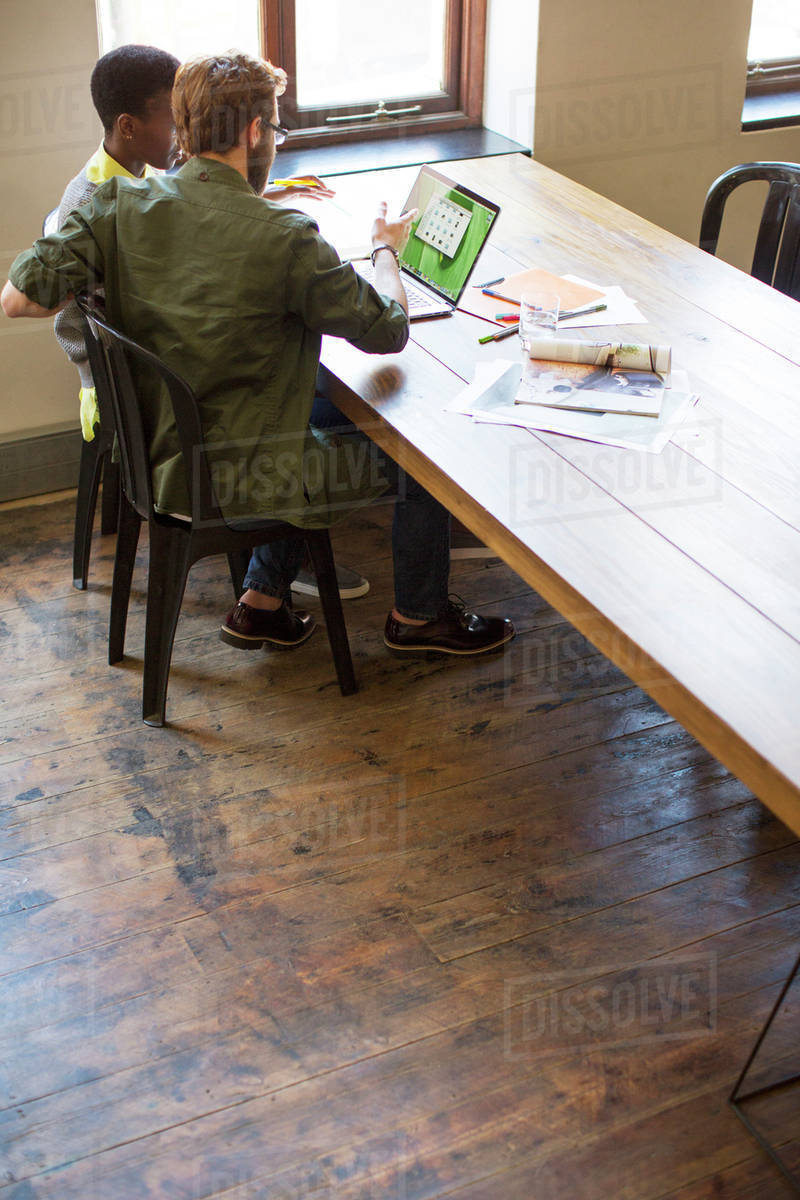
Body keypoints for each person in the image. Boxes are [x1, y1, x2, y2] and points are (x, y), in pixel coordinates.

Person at [2, 52, 514, 659]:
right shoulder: (285, 237)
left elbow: (17, 300)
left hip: (157, 459)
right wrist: (384, 252)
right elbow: (389, 330)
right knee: (427, 457)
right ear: (252, 133)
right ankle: (419, 618)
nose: (273, 139)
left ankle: (262, 601)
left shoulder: (116, 205)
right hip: (249, 479)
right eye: (274, 127)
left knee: (322, 410)